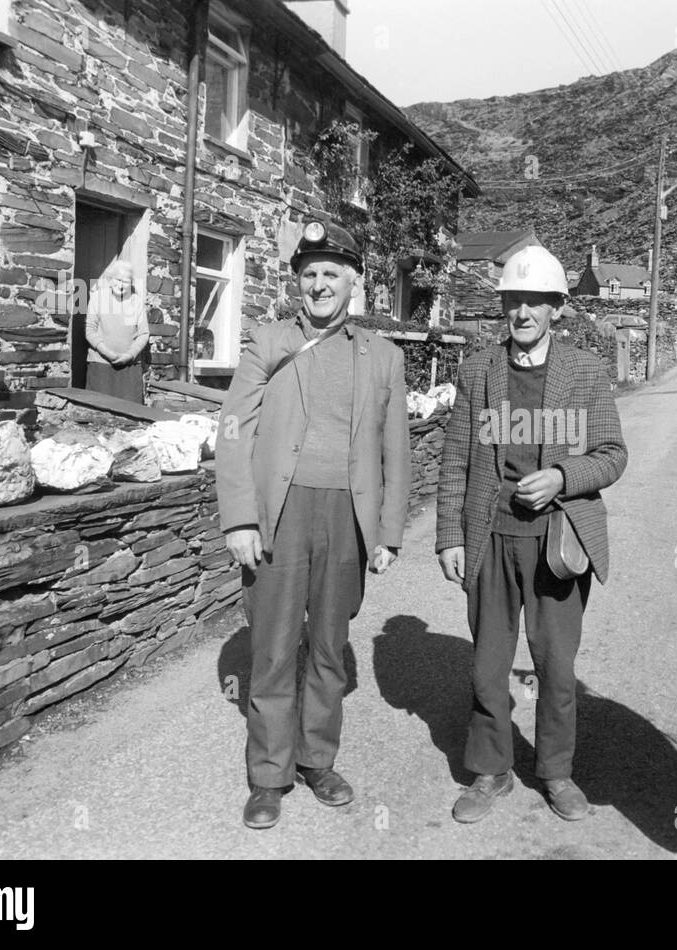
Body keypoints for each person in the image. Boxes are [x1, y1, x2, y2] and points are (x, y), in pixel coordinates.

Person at [216, 214, 410, 830]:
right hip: (281, 514)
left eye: (331, 273)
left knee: (330, 646)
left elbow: (395, 451)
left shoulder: (384, 357)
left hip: (347, 519)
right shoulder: (267, 343)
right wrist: (240, 519)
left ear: (355, 282)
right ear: (297, 283)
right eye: (309, 274)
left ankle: (317, 759)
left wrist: (388, 533)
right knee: (272, 647)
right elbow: (231, 433)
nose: (319, 284)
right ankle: (269, 775)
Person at [436, 245, 627, 824]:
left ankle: (556, 772)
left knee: (556, 666)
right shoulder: (478, 370)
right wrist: (449, 534)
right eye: (513, 301)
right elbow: (455, 460)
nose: (522, 313)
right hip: (490, 536)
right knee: (488, 665)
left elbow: (614, 456)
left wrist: (564, 477)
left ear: (556, 309)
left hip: (558, 542)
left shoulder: (586, 372)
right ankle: (490, 770)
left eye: (535, 302)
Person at [84, 260, 148, 402]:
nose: (120, 285)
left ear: (131, 283)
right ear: (111, 279)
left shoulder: (136, 301)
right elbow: (90, 330)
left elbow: (143, 333)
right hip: (101, 365)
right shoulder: (97, 298)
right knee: (98, 410)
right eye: (118, 280)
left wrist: (130, 355)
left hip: (129, 368)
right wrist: (107, 353)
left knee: (130, 413)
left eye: (125, 281)